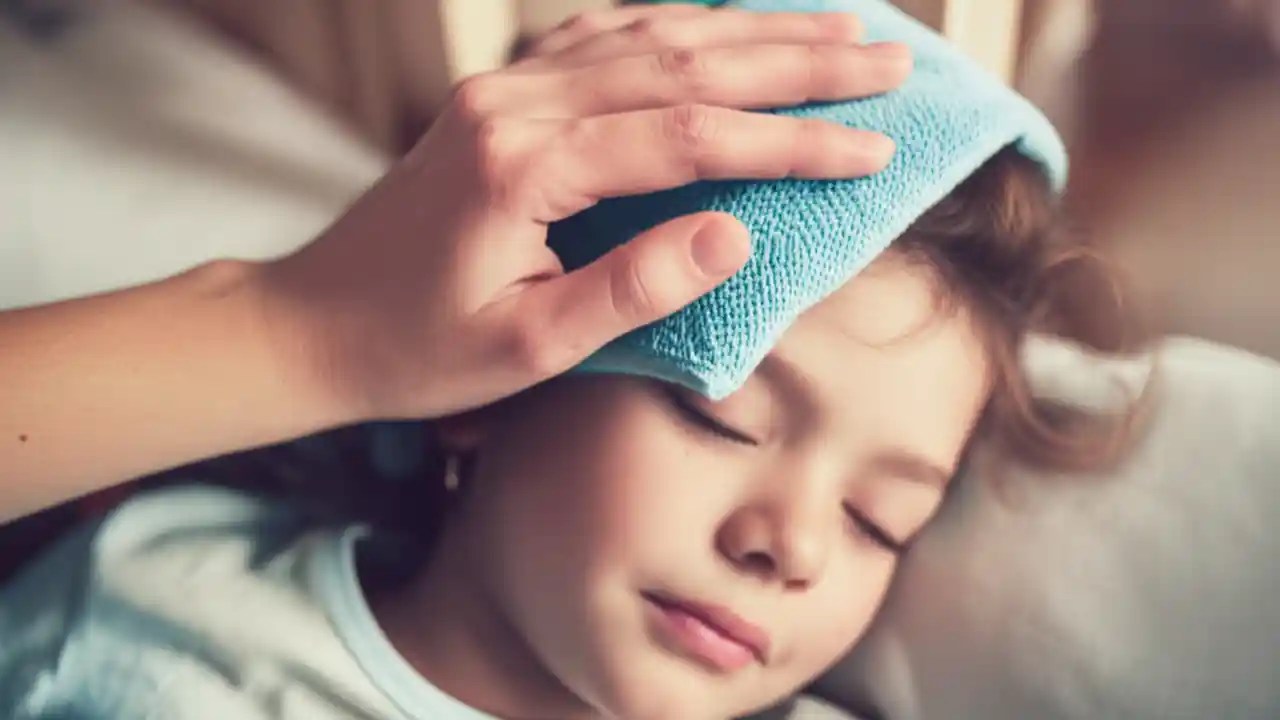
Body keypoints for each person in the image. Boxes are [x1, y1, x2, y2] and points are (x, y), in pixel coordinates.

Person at [0, 5, 1131, 720]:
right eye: (722, 414)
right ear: (481, 384)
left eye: (880, 518)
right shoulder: (168, 636)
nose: (788, 544)